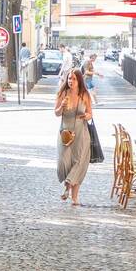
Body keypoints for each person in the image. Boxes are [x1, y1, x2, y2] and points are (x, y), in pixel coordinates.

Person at [54, 67, 93, 206]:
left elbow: (90, 114)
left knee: (78, 162)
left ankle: (74, 196)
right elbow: (56, 113)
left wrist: (86, 116)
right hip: (65, 133)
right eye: (69, 78)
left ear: (79, 80)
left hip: (81, 132)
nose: (71, 81)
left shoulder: (85, 95)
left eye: (74, 79)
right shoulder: (62, 93)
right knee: (63, 162)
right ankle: (68, 184)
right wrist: (61, 107)